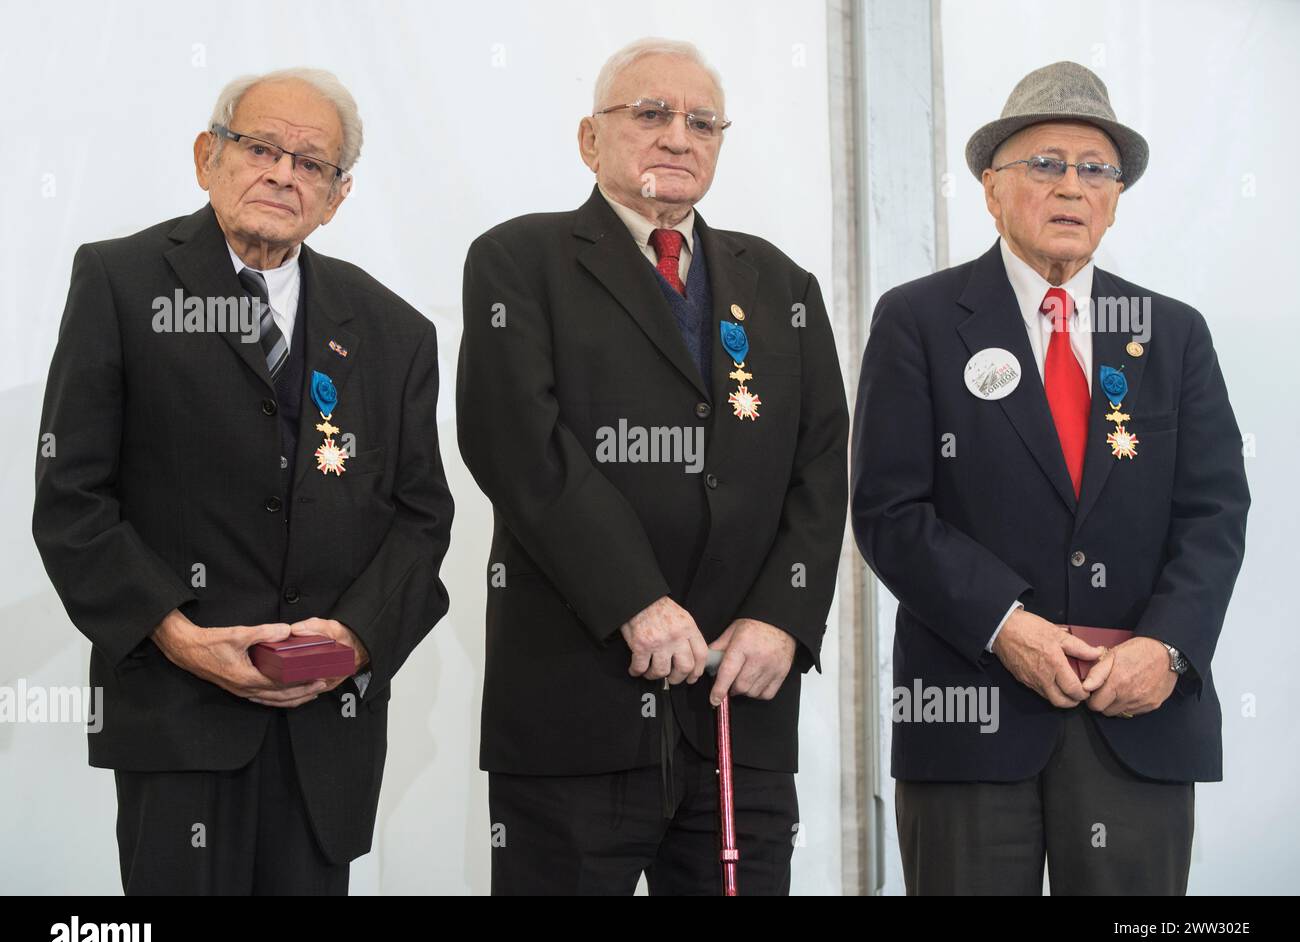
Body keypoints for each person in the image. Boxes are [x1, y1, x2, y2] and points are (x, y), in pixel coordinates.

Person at [32, 67, 454, 895]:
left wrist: (355, 643)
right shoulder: (121, 284)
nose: (284, 173)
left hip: (324, 735)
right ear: (208, 156)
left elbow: (420, 517)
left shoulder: (395, 331)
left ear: (337, 197)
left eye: (312, 163)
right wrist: (181, 638)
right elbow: (73, 499)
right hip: (178, 718)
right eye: (261, 147)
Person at [458, 37, 848, 894]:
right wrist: (634, 598)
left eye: (701, 121)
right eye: (650, 114)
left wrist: (782, 617)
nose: (678, 136)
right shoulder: (519, 261)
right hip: (577, 705)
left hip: (738, 709)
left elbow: (822, 470)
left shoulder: (782, 284)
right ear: (590, 140)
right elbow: (516, 446)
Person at [851, 61, 1250, 894]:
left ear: (1114, 199)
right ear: (991, 189)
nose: (1072, 185)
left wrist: (1168, 650)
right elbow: (890, 510)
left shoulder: (1172, 334)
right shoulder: (919, 321)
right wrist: (1007, 625)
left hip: (1136, 720)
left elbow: (1214, 510)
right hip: (970, 711)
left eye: (1095, 169)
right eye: (1045, 164)